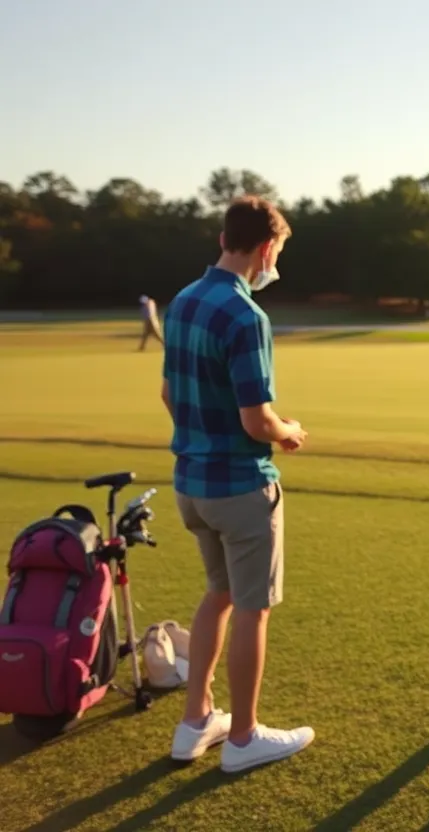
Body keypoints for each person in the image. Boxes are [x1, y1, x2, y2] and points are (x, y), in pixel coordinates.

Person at [160, 196, 315, 774]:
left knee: (218, 596)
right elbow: (258, 420)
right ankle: (244, 737)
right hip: (240, 487)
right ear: (267, 247)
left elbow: (169, 395)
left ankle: (195, 721)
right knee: (252, 608)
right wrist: (289, 432)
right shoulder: (246, 315)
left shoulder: (183, 301)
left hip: (191, 483)